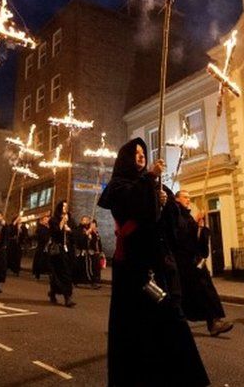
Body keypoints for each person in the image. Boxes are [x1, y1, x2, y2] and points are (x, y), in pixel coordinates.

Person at [98, 137, 209, 387]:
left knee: (172, 318)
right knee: (137, 324)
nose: (141, 155)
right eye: (136, 153)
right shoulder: (119, 185)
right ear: (126, 157)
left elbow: (176, 225)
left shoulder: (157, 184)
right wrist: (149, 182)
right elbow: (131, 206)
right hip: (135, 264)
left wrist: (166, 204)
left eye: (143, 152)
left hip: (161, 261)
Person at [173, 190, 233, 336]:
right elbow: (181, 238)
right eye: (185, 197)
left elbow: (199, 245)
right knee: (188, 295)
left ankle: (214, 322)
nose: (188, 200)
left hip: (196, 263)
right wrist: (196, 228)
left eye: (189, 197)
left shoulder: (189, 218)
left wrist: (201, 227)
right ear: (176, 199)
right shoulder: (176, 216)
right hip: (184, 263)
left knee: (206, 292)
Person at [47, 201, 76, 307]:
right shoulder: (53, 220)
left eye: (66, 206)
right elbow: (55, 233)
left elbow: (75, 236)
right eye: (63, 206)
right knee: (59, 273)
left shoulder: (71, 220)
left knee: (67, 273)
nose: (65, 208)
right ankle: (67, 297)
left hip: (68, 251)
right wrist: (62, 222)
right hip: (58, 251)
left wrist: (70, 230)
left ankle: (56, 292)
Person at [33, 213, 50, 280]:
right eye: (45, 219)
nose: (47, 221)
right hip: (41, 246)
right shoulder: (40, 228)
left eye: (47, 219)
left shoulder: (48, 228)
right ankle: (37, 273)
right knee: (39, 260)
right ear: (42, 221)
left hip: (47, 247)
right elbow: (41, 237)